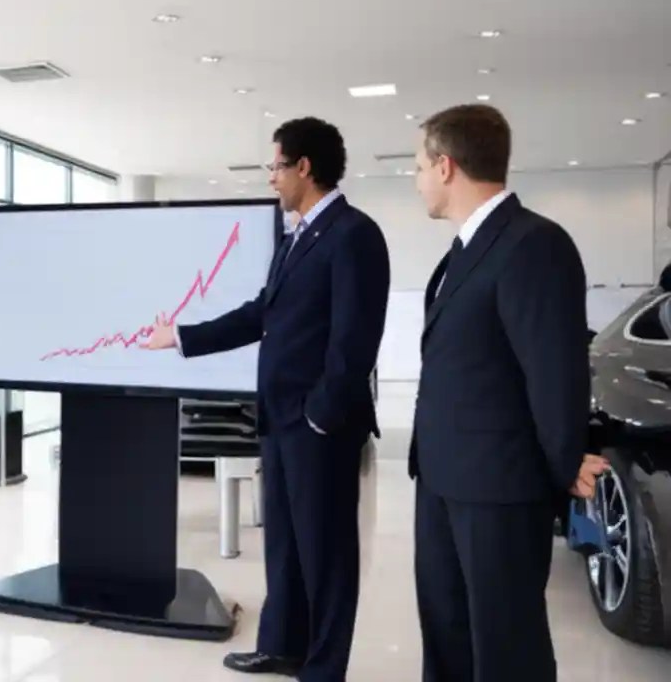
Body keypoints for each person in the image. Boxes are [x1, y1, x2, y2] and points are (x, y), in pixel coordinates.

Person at [142, 117, 390, 681]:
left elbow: (355, 341)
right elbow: (263, 313)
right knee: (285, 544)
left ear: (305, 166)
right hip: (280, 420)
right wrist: (181, 336)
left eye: (276, 166)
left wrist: (322, 414)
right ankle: (281, 645)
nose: (271, 178)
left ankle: (323, 667)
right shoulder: (295, 237)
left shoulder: (354, 234)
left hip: (319, 426)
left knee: (326, 554)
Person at [408, 103, 608, 682]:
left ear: (446, 166)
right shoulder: (464, 250)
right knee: (447, 633)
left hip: (500, 489)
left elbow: (555, 370)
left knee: (506, 647)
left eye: (419, 167)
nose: (417, 180)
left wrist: (565, 461)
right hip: (443, 478)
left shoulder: (533, 244)